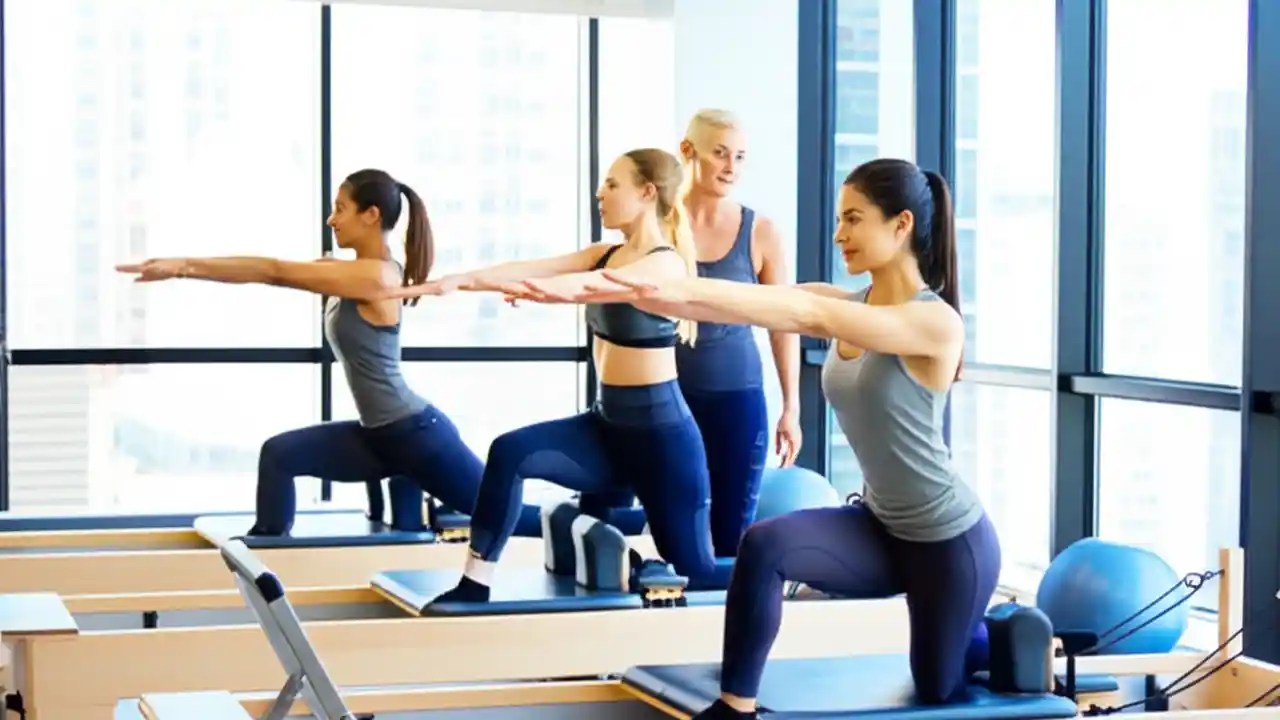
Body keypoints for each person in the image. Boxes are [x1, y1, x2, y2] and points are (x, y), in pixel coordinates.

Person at [530, 158, 1001, 718]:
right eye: (838, 219)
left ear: (901, 225)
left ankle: (1012, 636)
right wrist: (620, 289)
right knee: (764, 546)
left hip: (948, 543)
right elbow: (724, 302)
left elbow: (798, 310)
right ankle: (735, 707)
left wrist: (673, 289)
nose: (838, 234)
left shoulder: (935, 322)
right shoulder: (851, 302)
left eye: (853, 219)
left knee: (939, 687)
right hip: (879, 528)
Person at [385, 148, 720, 605]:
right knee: (510, 451)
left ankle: (782, 572)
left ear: (646, 193)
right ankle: (475, 583)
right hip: (607, 429)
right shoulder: (607, 253)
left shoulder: (664, 263)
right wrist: (460, 280)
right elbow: (533, 268)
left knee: (696, 572)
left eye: (613, 184)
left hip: (663, 442)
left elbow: (591, 287)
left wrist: (543, 294)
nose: (600, 192)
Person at [115, 169, 490, 536]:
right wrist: (183, 267)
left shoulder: (375, 277)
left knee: (511, 517)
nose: (331, 219)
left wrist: (181, 267)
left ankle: (522, 524)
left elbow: (274, 271)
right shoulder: (349, 272)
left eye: (340, 208)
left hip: (415, 434)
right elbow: (264, 268)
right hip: (380, 437)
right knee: (280, 455)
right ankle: (265, 556)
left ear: (371, 215)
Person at [675, 109, 801, 556]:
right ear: (687, 151)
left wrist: (792, 407)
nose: (732, 166)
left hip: (737, 402)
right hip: (668, 402)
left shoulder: (761, 232)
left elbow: (783, 321)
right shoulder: (659, 226)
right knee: (678, 534)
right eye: (721, 153)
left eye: (741, 157)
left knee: (728, 539)